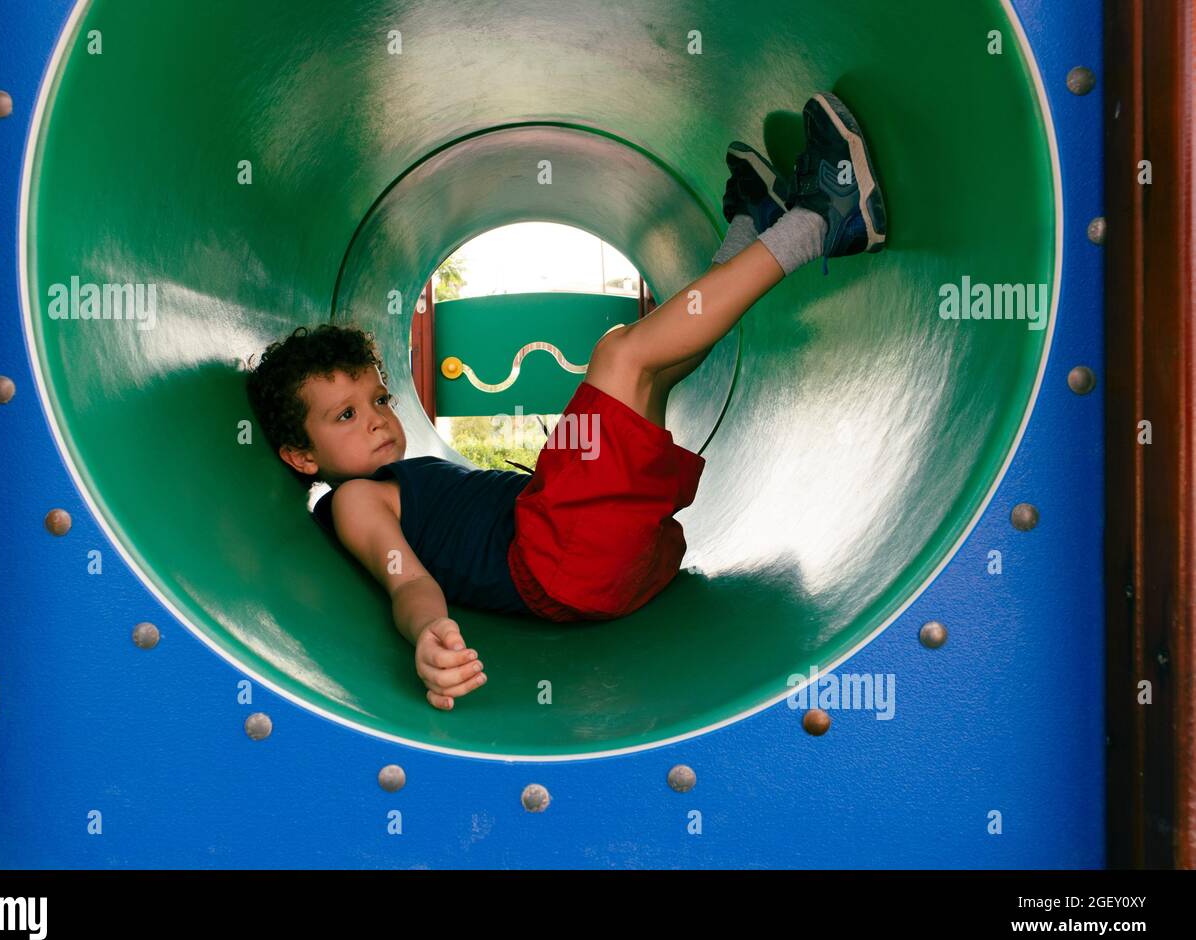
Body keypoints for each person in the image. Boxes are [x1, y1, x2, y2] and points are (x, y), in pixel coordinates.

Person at [245, 92, 886, 711]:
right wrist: (429, 635)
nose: (379, 420)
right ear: (301, 456)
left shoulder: (387, 479)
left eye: (379, 398)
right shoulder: (354, 499)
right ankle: (823, 220)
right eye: (347, 416)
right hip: (561, 558)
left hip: (590, 553)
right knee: (624, 356)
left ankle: (752, 229)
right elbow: (407, 579)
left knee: (644, 364)